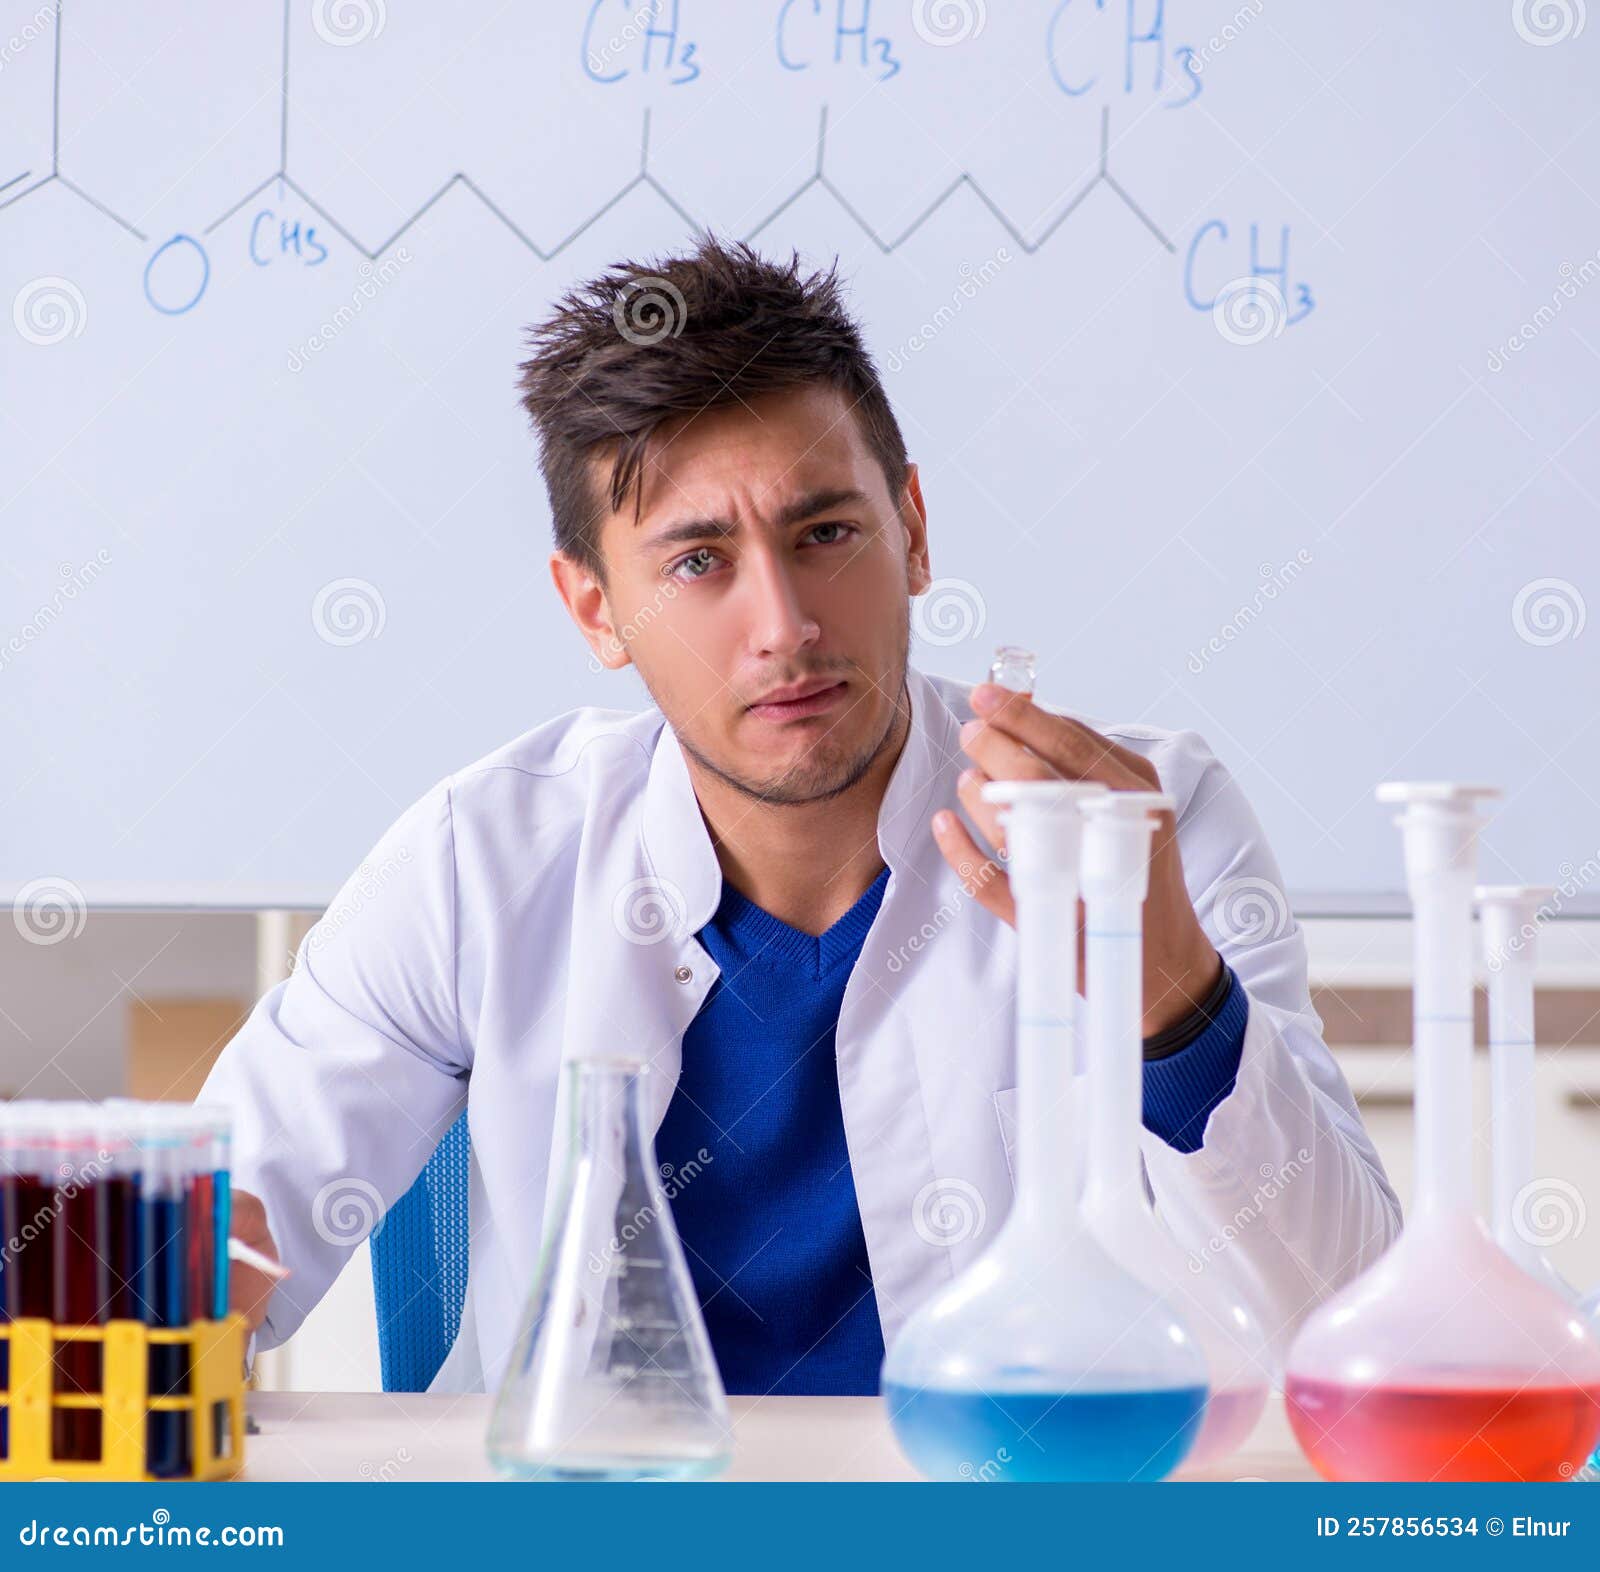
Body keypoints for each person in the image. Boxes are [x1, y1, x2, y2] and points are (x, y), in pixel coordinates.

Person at [205, 234, 1400, 1396]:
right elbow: (189, 1264)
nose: (783, 624)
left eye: (825, 534)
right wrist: (178, 1286)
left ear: (913, 531)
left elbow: (1340, 1332)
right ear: (593, 610)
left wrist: (1171, 1005)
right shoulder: (482, 861)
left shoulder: (1134, 823)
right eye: (696, 563)